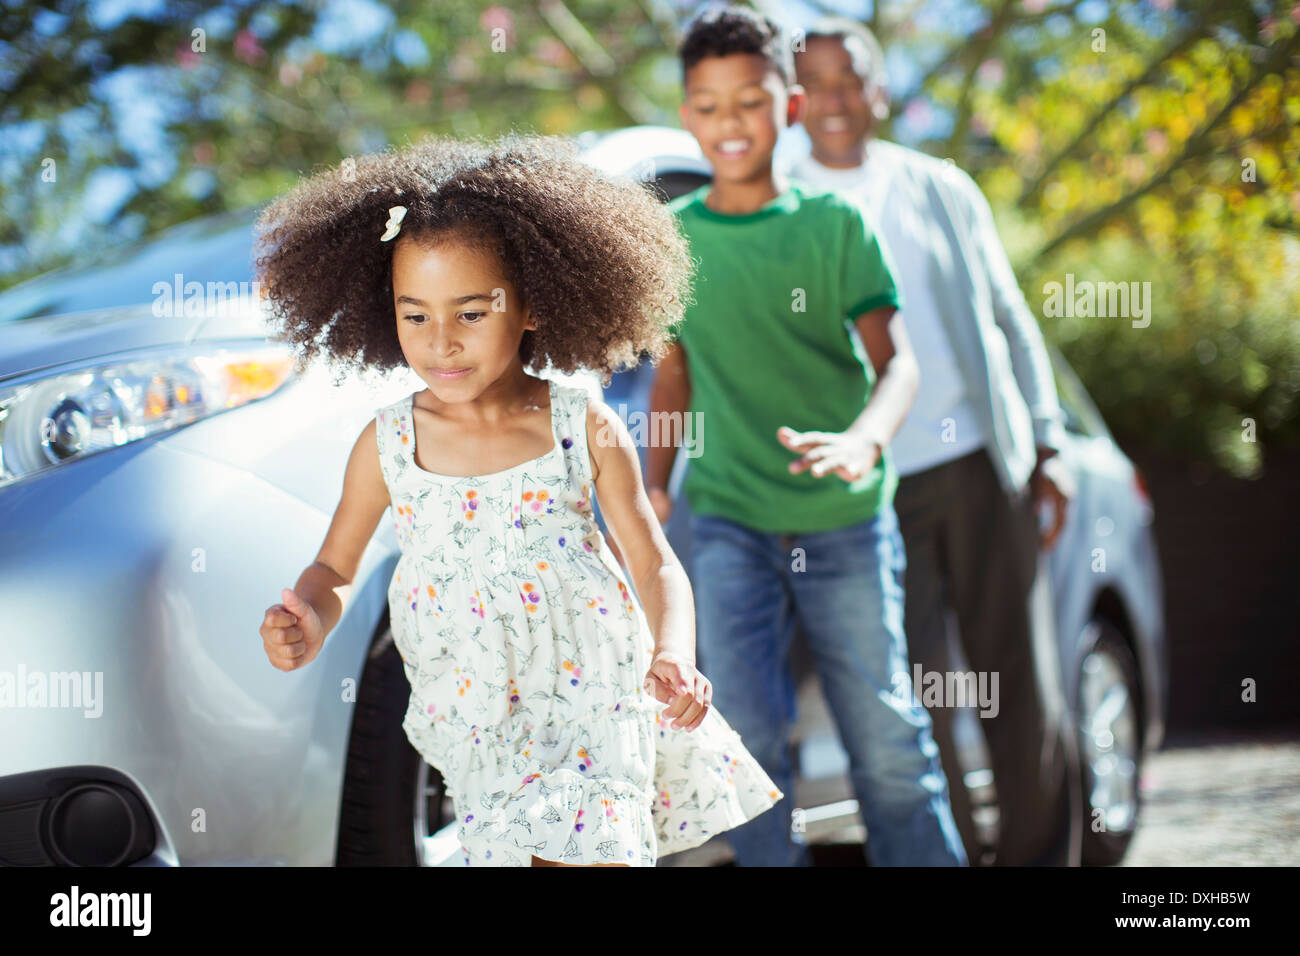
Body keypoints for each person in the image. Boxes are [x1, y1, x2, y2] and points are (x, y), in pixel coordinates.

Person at [253, 134, 782, 867]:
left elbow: (654, 564)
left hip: (600, 690)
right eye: (415, 316)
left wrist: (674, 652)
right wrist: (309, 615)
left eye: (470, 313)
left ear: (530, 307)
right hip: (479, 712)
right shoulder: (389, 443)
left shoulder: (582, 424)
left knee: (598, 850)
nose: (441, 342)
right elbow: (335, 566)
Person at [648, 5, 967, 867]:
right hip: (726, 524)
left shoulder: (836, 226)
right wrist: (655, 483)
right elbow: (673, 375)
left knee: (890, 740)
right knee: (746, 746)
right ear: (687, 114)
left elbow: (896, 365)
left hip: (845, 519)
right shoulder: (674, 245)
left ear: (785, 105)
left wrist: (864, 438)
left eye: (749, 101)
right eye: (707, 106)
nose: (729, 123)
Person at [788, 17, 1083, 866]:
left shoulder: (940, 186)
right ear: (797, 101)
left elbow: (1011, 321)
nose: (837, 100)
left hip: (979, 471)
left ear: (880, 93)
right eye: (819, 84)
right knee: (916, 698)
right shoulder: (787, 200)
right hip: (868, 488)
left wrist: (1048, 443)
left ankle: (1036, 858)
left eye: (854, 81)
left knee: (1016, 684)